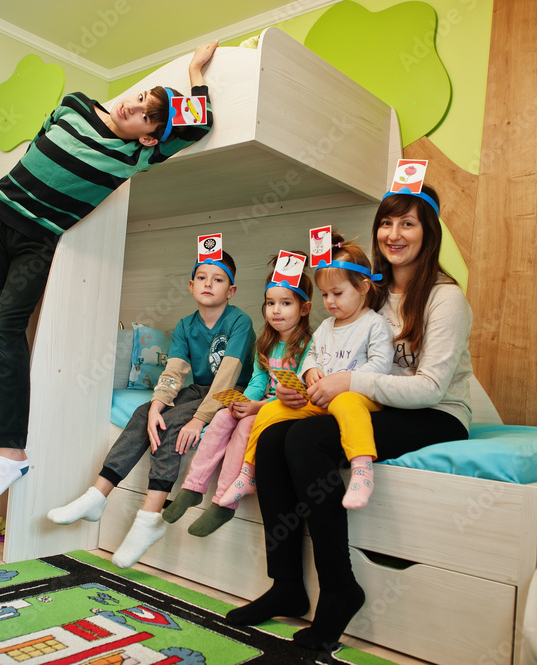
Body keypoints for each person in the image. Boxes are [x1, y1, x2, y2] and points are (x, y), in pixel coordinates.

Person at [0, 41, 219, 507]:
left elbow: (200, 124)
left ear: (147, 136)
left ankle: (13, 450)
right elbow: (43, 141)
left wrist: (196, 70)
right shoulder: (76, 104)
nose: (135, 105)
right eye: (141, 99)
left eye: (147, 115)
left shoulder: (132, 157)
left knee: (6, 326)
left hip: (37, 238)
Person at [224, 185, 474, 652]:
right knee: (278, 433)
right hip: (367, 402)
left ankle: (340, 589)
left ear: (430, 231)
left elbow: (430, 388)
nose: (393, 234)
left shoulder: (445, 299)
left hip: (435, 413)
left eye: (408, 223)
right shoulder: (371, 292)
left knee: (307, 441)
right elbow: (330, 347)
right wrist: (309, 380)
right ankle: (286, 585)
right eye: (386, 222)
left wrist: (347, 384)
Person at [47, 251, 256, 568]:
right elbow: (174, 372)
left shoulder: (239, 321)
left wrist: (198, 420)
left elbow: (227, 376)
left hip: (232, 391)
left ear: (232, 290)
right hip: (198, 389)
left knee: (172, 424)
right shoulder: (186, 325)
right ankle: (97, 495)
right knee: (146, 413)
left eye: (218, 279)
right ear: (190, 285)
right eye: (202, 278)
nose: (208, 284)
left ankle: (149, 517)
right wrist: (158, 403)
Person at [226, 234, 394, 510]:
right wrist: (311, 370)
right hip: (321, 400)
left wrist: (345, 383)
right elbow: (312, 355)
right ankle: (248, 472)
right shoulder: (327, 326)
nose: (329, 301)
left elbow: (381, 366)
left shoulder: (374, 324)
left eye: (337, 293)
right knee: (269, 410)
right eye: (325, 294)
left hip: (359, 398)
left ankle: (362, 469)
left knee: (346, 401)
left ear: (364, 287)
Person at [162, 253, 315, 537]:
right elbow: (257, 380)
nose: (276, 311)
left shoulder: (308, 344)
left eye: (285, 303)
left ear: (304, 309)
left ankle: (223, 503)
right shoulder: (266, 342)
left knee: (244, 426)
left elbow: (300, 393)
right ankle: (192, 488)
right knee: (222, 417)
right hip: (260, 402)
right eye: (270, 303)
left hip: (283, 408)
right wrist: (243, 402)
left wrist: (256, 408)